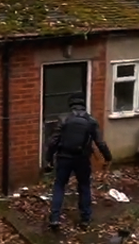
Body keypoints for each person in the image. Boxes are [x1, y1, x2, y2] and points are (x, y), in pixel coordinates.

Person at [44, 92, 112, 231]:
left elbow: (53, 141)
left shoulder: (64, 119)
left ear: (71, 105)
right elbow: (100, 142)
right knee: (84, 186)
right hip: (82, 159)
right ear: (83, 105)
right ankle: (85, 219)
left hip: (64, 157)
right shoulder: (91, 121)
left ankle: (55, 218)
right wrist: (108, 157)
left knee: (59, 186)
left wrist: (49, 159)